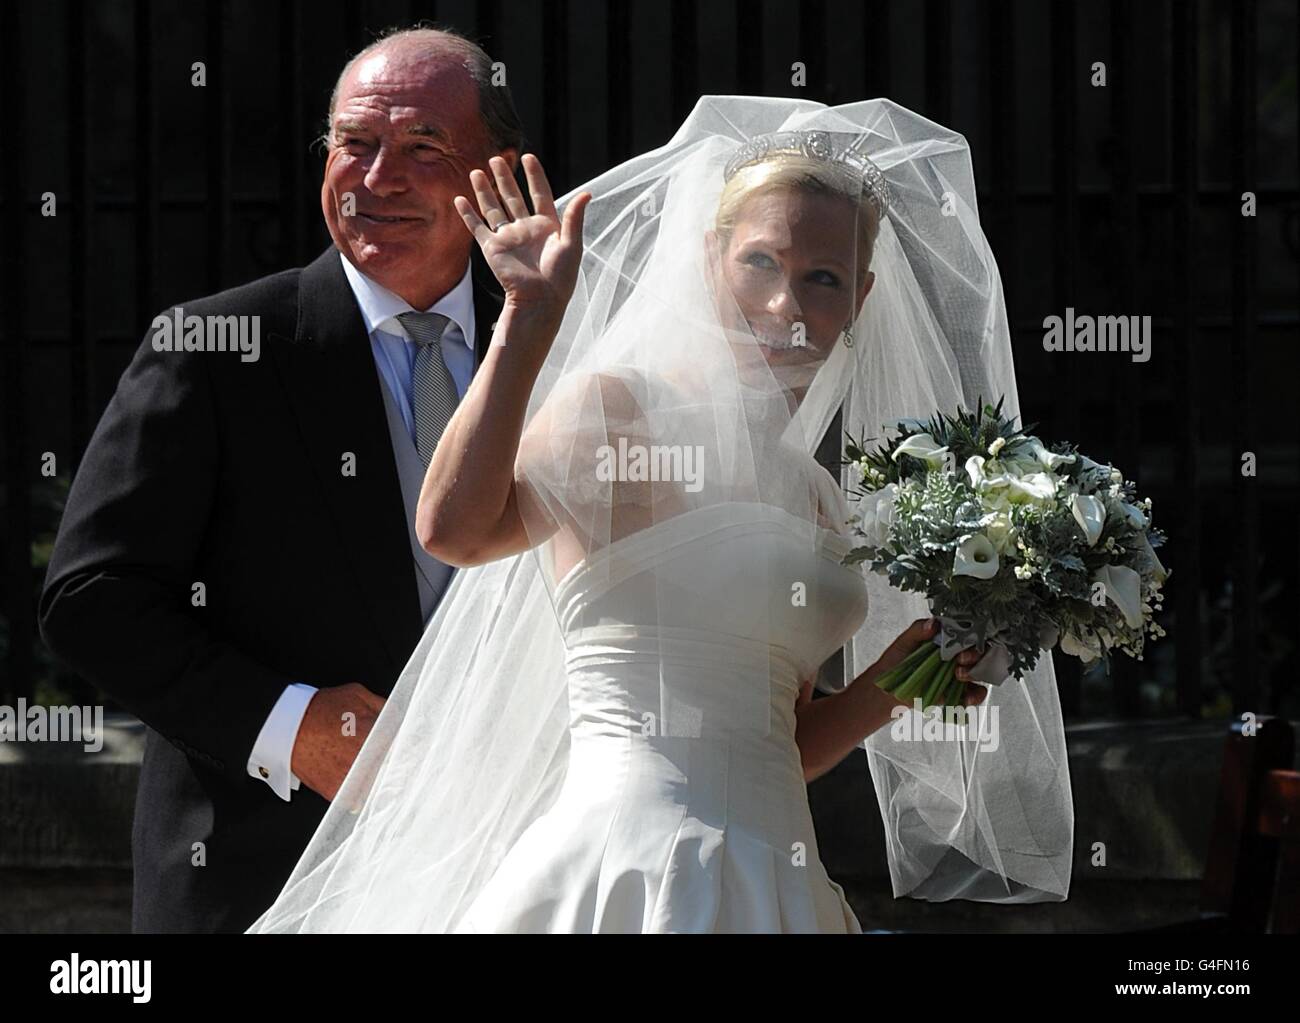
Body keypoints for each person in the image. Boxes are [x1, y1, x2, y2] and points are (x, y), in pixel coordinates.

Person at [249, 96, 1074, 933]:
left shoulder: (819, 495)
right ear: (711, 259)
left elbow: (779, 743)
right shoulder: (619, 412)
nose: (788, 304)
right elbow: (453, 531)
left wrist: (909, 675)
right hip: (627, 867)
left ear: (859, 297)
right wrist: (526, 321)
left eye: (822, 279)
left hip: (778, 881)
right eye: (762, 263)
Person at [38, 27, 521, 932]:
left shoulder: (550, 345)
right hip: (268, 876)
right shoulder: (216, 350)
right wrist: (291, 726)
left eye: (423, 147)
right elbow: (91, 597)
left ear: (496, 171)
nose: (378, 179)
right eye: (354, 143)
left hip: (513, 869)